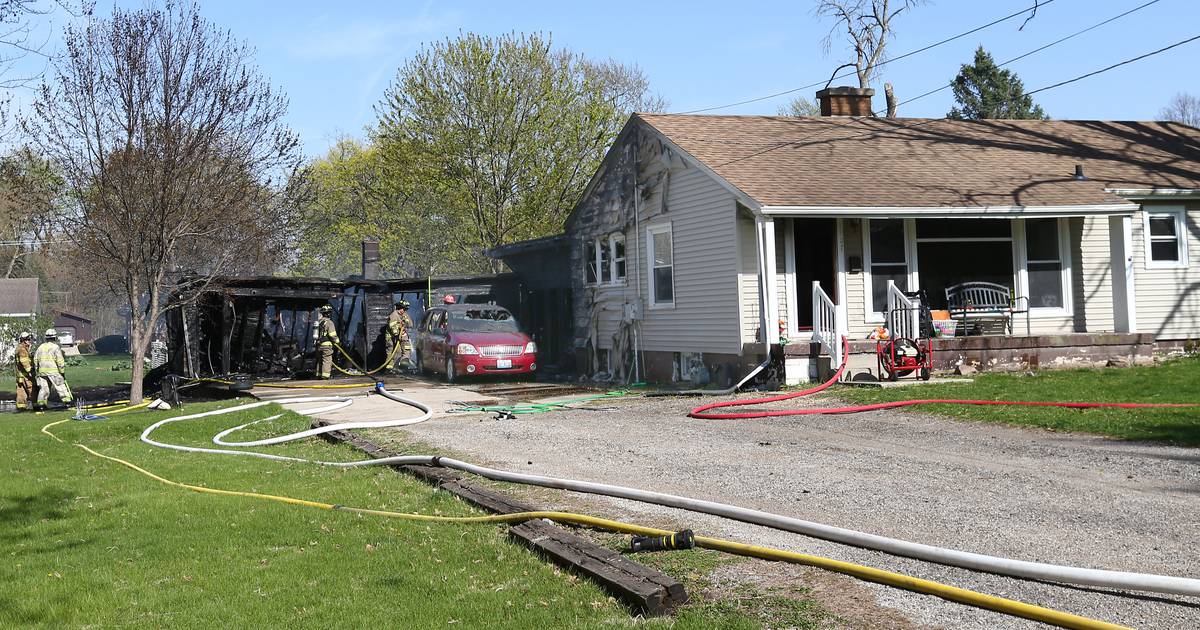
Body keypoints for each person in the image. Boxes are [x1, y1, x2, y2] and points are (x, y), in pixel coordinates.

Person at [34, 328, 72, 410]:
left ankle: (41, 404)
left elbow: (35, 359)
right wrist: (62, 372)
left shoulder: (40, 347)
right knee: (60, 386)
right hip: (53, 371)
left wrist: (37, 370)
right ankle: (67, 402)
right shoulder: (55, 347)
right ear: (55, 337)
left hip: (42, 373)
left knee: (44, 389)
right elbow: (60, 360)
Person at [386, 299, 414, 372]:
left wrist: (406, 322)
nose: (404, 311)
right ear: (399, 308)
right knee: (396, 352)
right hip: (393, 338)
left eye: (405, 309)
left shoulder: (404, 315)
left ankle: (403, 367)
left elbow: (411, 324)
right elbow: (393, 328)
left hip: (402, 336)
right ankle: (390, 369)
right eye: (403, 309)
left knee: (407, 351)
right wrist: (398, 331)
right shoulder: (393, 315)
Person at [315, 305, 339, 379]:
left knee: (320, 360)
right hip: (326, 345)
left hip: (318, 345)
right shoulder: (329, 322)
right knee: (327, 359)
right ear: (328, 314)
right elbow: (332, 335)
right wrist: (337, 342)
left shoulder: (319, 322)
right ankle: (325, 376)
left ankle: (318, 375)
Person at [14, 331, 35, 411]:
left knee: (21, 391)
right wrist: (30, 370)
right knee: (32, 389)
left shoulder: (22, 348)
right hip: (25, 374)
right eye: (28, 339)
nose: (30, 341)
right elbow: (24, 361)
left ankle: (21, 406)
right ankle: (36, 405)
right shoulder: (22, 349)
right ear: (25, 340)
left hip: (21, 375)